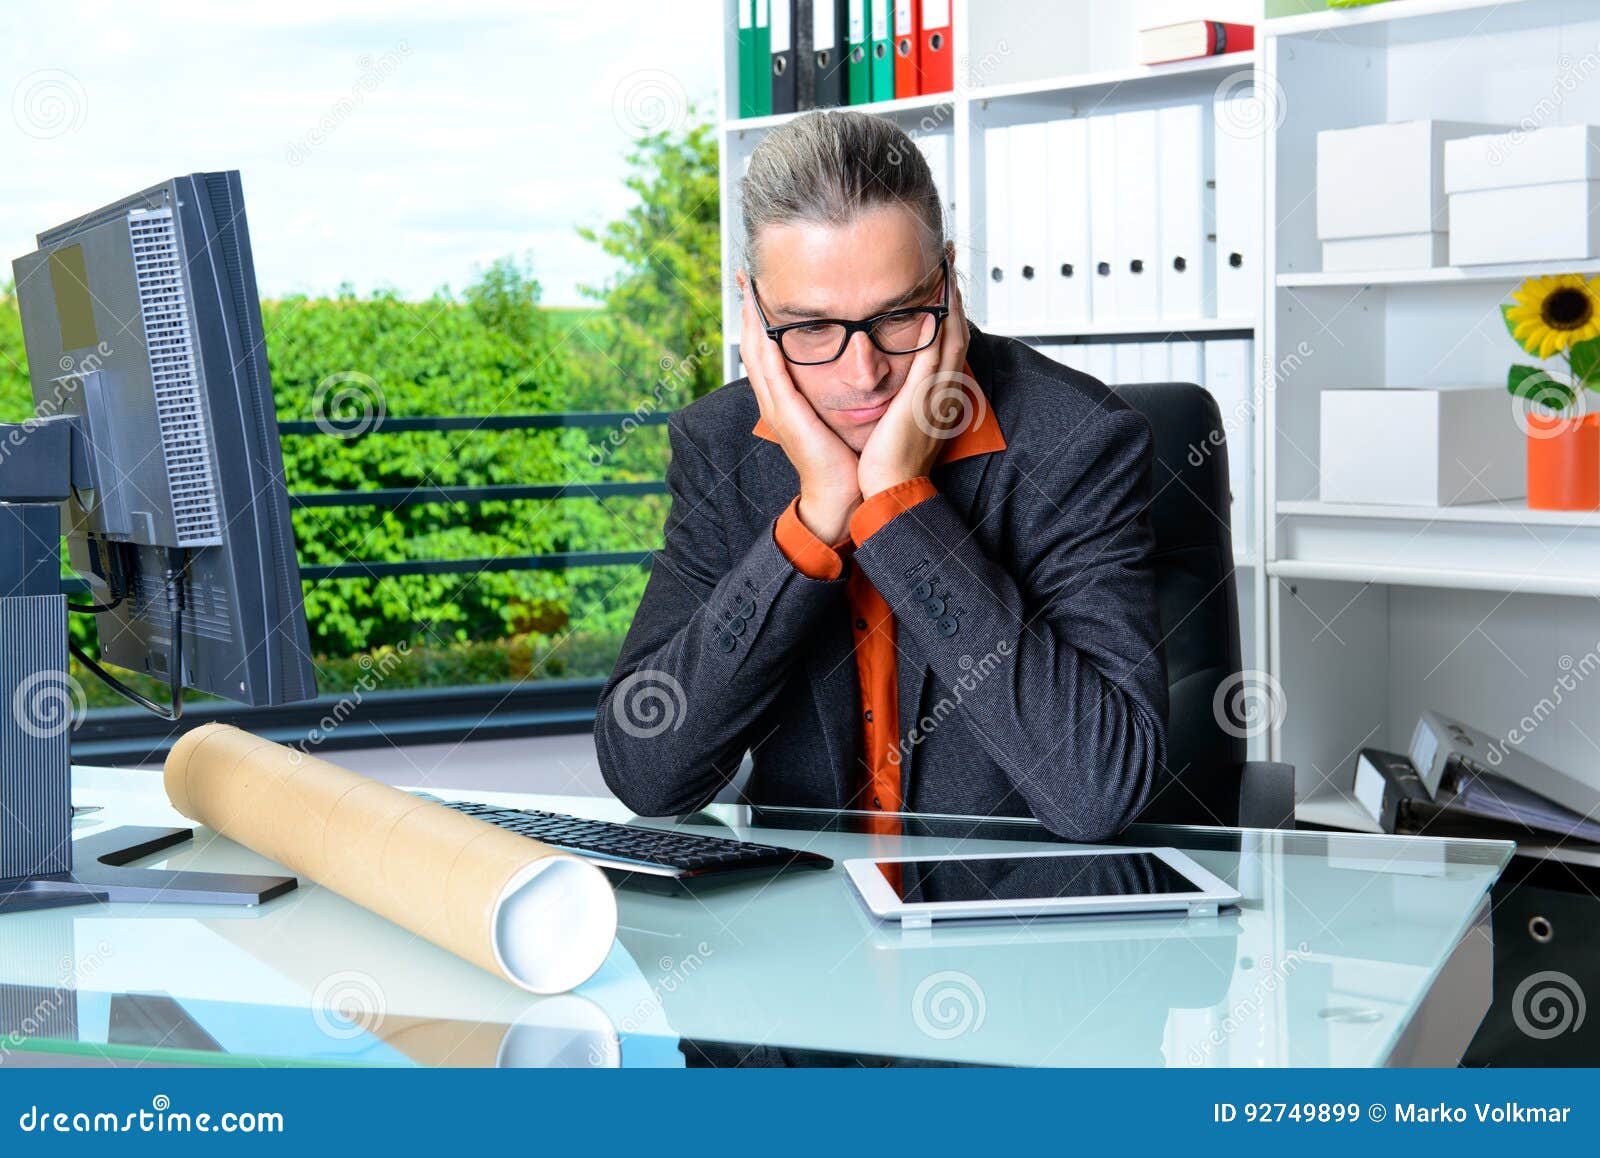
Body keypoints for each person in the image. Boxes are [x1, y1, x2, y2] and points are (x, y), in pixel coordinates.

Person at [594, 109, 1168, 841]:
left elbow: (1099, 791)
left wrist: (899, 504)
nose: (863, 374)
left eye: (898, 316)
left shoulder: (1077, 440)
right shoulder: (720, 445)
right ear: (753, 310)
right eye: (810, 327)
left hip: (1015, 905)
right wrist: (815, 519)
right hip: (802, 901)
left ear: (947, 281)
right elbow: (647, 776)